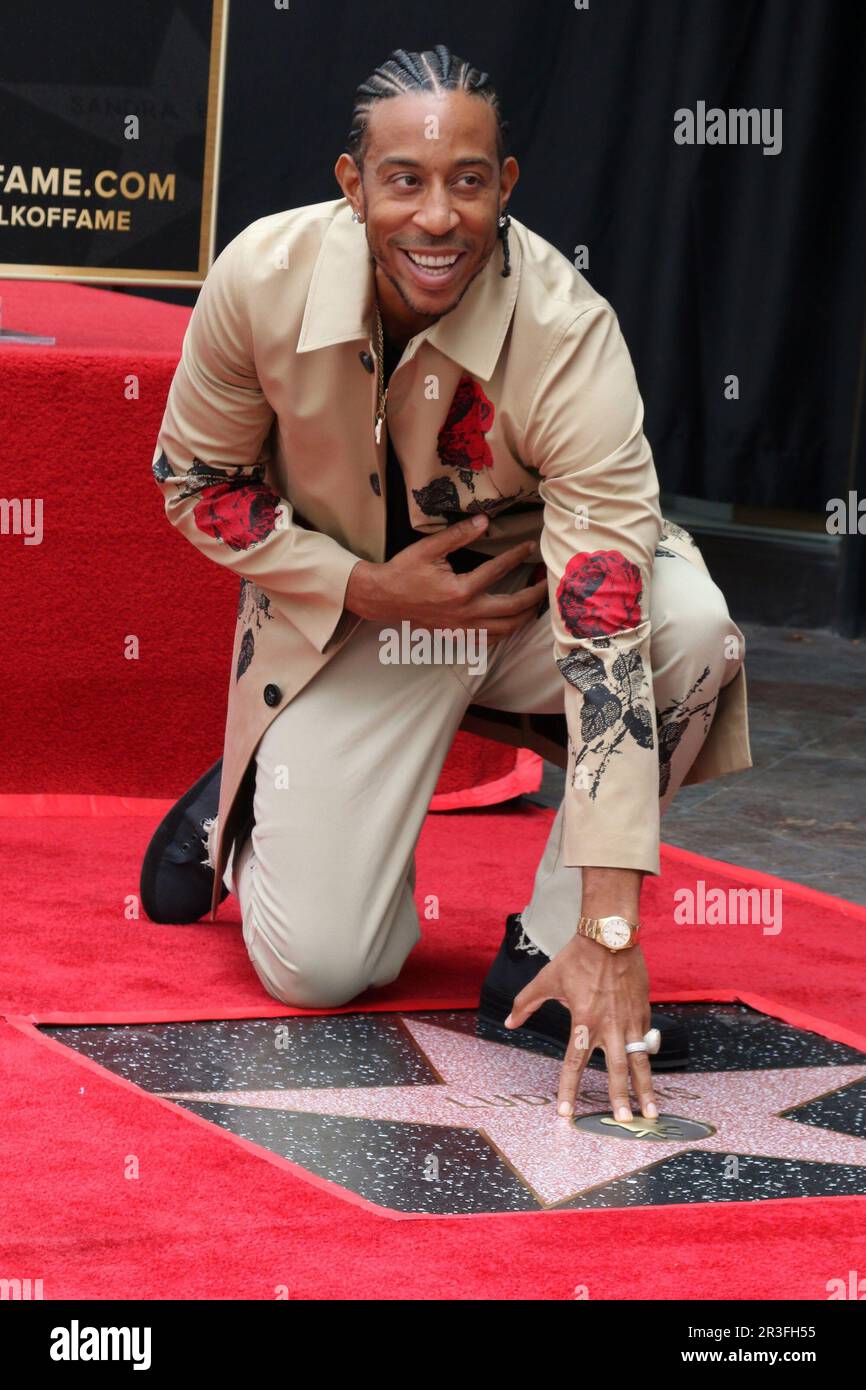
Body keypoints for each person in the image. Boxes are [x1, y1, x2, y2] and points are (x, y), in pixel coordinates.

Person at [141, 46, 752, 1124]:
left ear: (505, 186)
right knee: (320, 969)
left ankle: (542, 948)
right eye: (405, 181)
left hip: (530, 609)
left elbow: (606, 613)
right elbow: (196, 481)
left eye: (467, 181)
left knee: (691, 625)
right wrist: (366, 589)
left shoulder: (568, 332)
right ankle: (255, 776)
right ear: (352, 184)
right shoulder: (260, 277)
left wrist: (608, 928)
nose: (437, 216)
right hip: (353, 622)